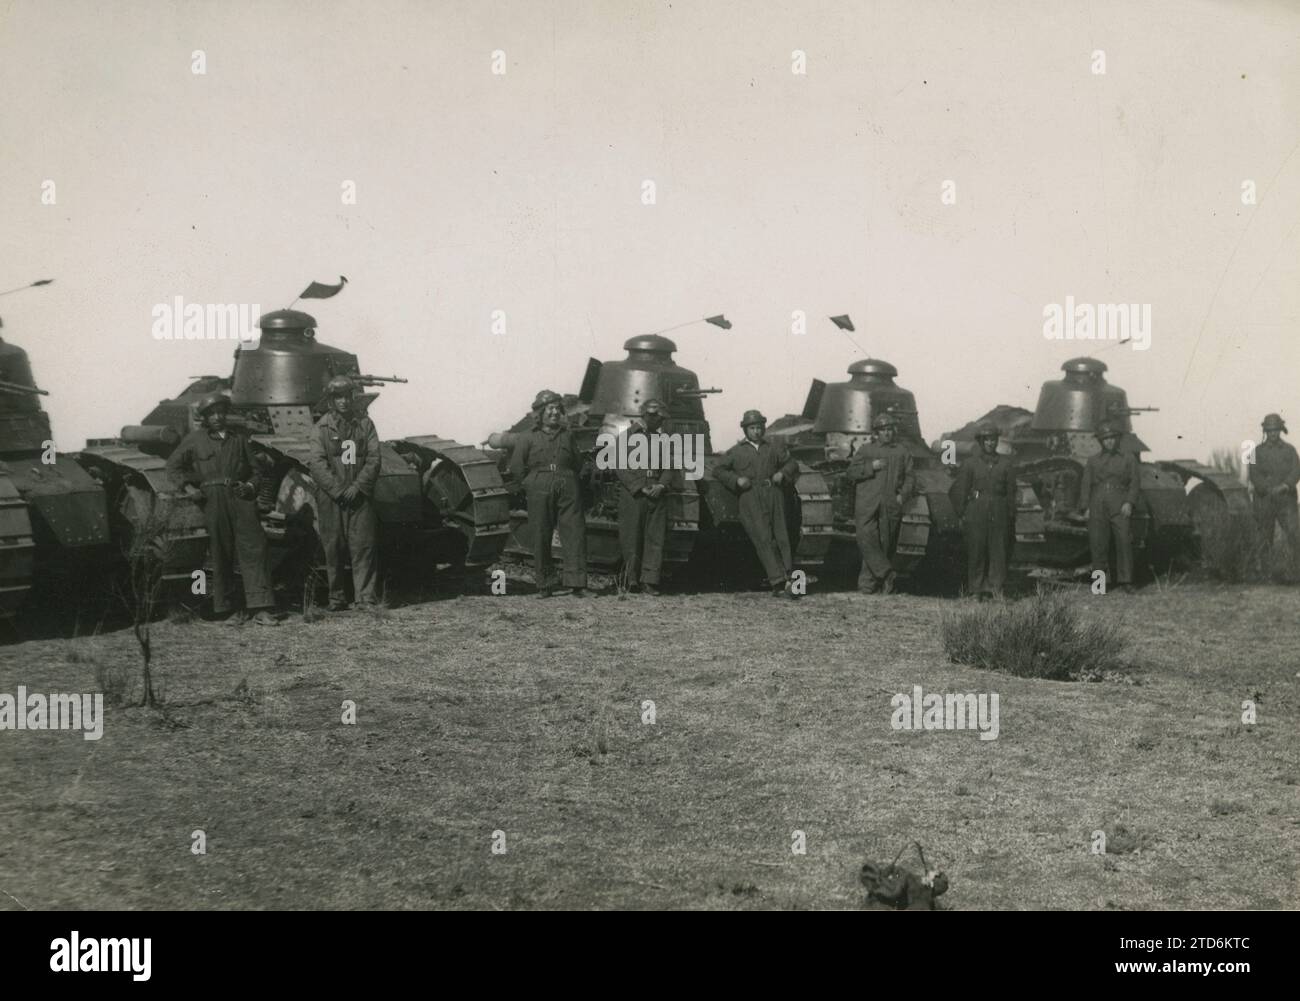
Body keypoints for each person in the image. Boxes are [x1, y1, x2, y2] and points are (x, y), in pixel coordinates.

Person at [166, 390, 278, 625]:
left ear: (226, 414)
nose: (217, 417)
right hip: (213, 499)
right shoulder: (195, 440)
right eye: (211, 414)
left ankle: (261, 608)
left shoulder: (239, 439)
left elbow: (257, 471)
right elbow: (173, 467)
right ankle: (228, 610)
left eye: (220, 412)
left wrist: (249, 486)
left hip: (240, 498)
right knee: (220, 553)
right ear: (205, 418)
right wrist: (188, 490)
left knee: (254, 548)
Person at [307, 375, 382, 610]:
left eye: (347, 396)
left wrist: (357, 487)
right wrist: (339, 490)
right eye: (337, 397)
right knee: (333, 546)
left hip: (359, 495)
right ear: (331, 400)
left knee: (364, 546)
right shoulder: (322, 427)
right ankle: (336, 597)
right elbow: (317, 464)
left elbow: (374, 458)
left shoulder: (365, 424)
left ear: (353, 397)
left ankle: (365, 597)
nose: (343, 402)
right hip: (332, 496)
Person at [509, 392, 592, 597]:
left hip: (567, 483)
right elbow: (517, 468)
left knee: (575, 533)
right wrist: (530, 484)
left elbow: (578, 463)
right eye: (550, 409)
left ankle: (577, 584)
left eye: (557, 409)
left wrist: (571, 480)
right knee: (541, 534)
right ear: (540, 413)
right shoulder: (527, 437)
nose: (555, 413)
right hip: (539, 485)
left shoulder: (567, 434)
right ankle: (545, 584)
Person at [714, 410, 799, 598]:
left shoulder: (773, 447)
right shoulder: (736, 451)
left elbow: (792, 464)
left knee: (782, 537)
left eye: (759, 427)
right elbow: (718, 469)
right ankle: (778, 583)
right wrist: (736, 480)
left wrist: (782, 474)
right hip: (750, 496)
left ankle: (793, 581)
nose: (757, 431)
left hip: (773, 493)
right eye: (752, 428)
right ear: (745, 430)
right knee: (764, 539)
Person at [615, 399, 682, 595]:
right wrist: (638, 487)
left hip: (656, 491)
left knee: (655, 538)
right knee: (631, 537)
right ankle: (632, 579)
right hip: (634, 493)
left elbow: (670, 467)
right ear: (647, 416)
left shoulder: (664, 440)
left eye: (662, 418)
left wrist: (661, 485)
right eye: (657, 417)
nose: (661, 421)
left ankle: (650, 580)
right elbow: (619, 465)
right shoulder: (627, 437)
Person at [846, 413, 915, 594]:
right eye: (883, 430)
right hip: (867, 501)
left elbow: (910, 477)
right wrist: (871, 467)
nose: (887, 433)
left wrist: (903, 495)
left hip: (890, 501)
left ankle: (868, 585)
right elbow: (851, 472)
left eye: (890, 429)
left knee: (884, 543)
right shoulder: (866, 450)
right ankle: (887, 573)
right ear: (876, 433)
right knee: (865, 537)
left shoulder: (902, 452)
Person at [948, 422, 1017, 598]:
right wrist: (963, 512)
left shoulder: (1006, 464)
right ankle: (975, 590)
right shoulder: (970, 464)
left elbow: (1011, 492)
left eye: (993, 439)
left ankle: (996, 590)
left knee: (998, 552)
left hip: (999, 510)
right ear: (981, 442)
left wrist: (1010, 515)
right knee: (976, 551)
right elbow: (959, 490)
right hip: (976, 511)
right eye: (987, 440)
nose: (990, 443)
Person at [1076, 420, 1139, 592]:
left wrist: (1129, 502)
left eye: (1112, 438)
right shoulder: (1093, 460)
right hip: (1097, 503)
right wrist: (1085, 506)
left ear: (1117, 439)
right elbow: (1086, 484)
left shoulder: (1128, 459)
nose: (1109, 441)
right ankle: (1100, 584)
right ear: (1101, 441)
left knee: (1124, 541)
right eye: (1105, 439)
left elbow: (1134, 482)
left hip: (1120, 503)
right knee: (1098, 544)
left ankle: (1126, 582)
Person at [1248, 412, 1300, 580]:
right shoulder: (1256, 452)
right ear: (1265, 431)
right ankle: (1265, 574)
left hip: (1287, 501)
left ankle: (1296, 571)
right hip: (1264, 501)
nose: (1272, 433)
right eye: (1269, 430)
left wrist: (1285, 485)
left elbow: (1296, 471)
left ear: (1281, 430)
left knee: (1294, 534)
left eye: (1275, 429)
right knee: (1264, 537)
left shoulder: (1290, 450)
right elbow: (1254, 475)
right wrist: (1267, 488)